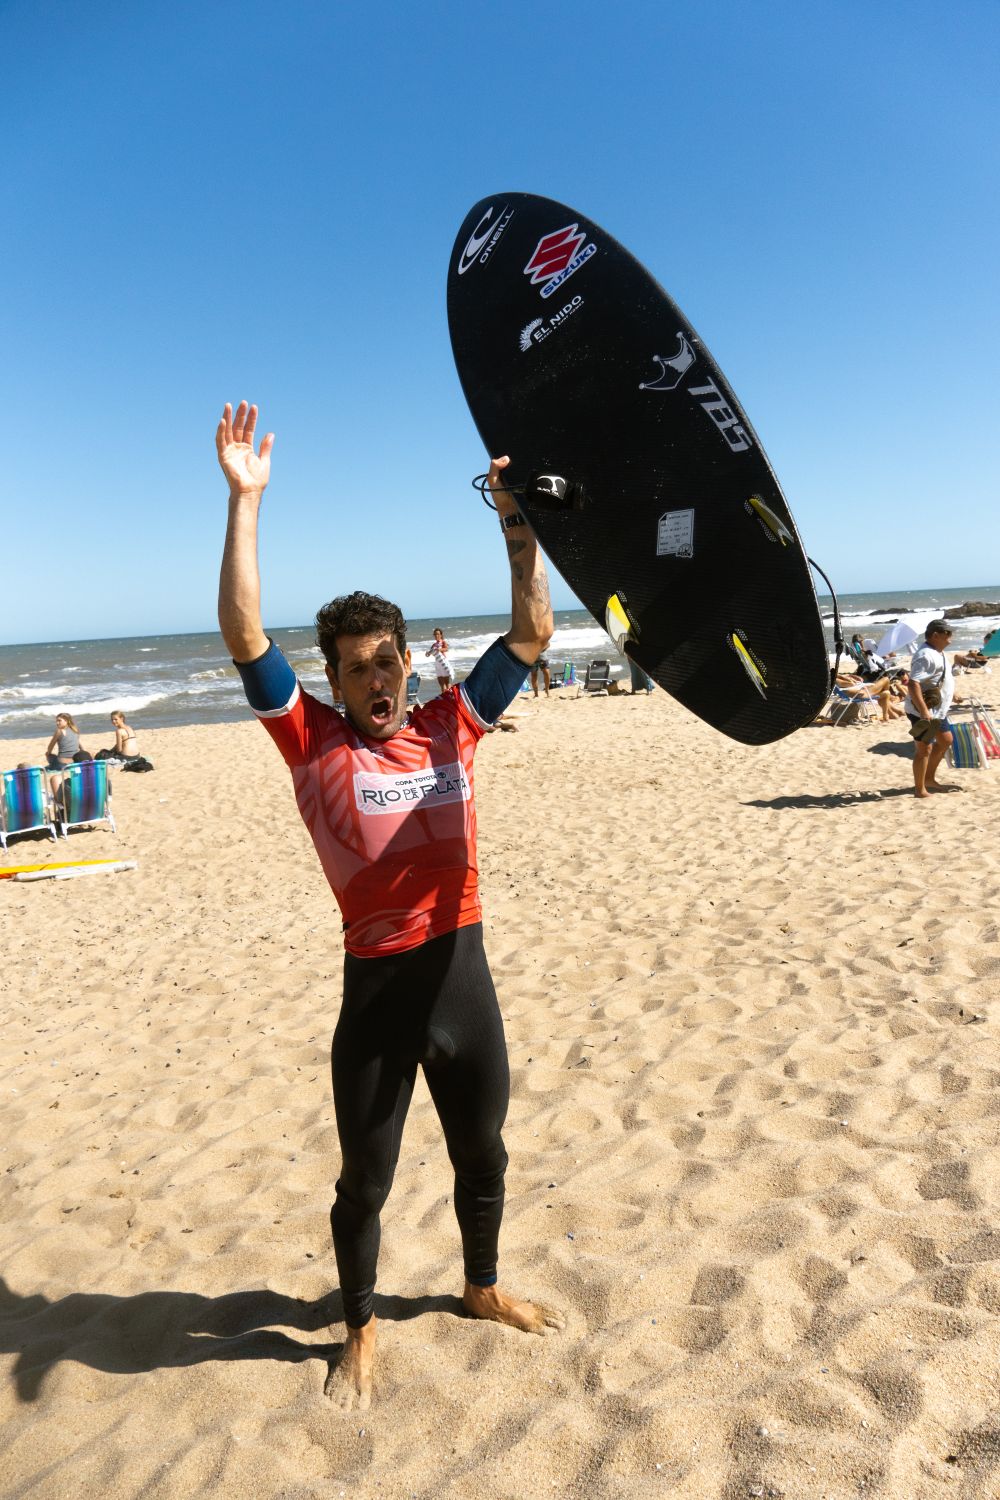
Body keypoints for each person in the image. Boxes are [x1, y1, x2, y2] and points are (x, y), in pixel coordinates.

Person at [215, 400, 564, 1412]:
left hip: (463, 973)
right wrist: (246, 504)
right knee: (364, 1181)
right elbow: (243, 632)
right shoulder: (312, 742)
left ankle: (481, 1285)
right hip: (375, 992)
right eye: (356, 665)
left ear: (408, 663)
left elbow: (533, 630)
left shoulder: (452, 726)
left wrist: (515, 526)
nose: (376, 677)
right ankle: (361, 1325)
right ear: (330, 678)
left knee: (483, 1150)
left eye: (387, 660)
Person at [906, 620, 982, 797]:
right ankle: (920, 789)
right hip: (922, 711)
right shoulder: (925, 655)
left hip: (938, 710)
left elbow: (939, 678)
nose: (951, 639)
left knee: (946, 740)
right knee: (924, 750)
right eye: (948, 635)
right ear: (935, 635)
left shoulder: (938, 652)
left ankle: (929, 778)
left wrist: (953, 693)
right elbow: (913, 683)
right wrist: (924, 712)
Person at [425, 628, 454, 695]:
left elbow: (446, 649)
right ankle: (444, 697)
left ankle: (450, 696)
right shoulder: (433, 645)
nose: (436, 635)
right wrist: (427, 653)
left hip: (443, 662)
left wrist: (440, 649)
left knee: (447, 682)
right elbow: (429, 654)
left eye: (438, 634)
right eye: (435, 634)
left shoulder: (443, 642)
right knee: (441, 683)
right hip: (437, 664)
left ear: (441, 635)